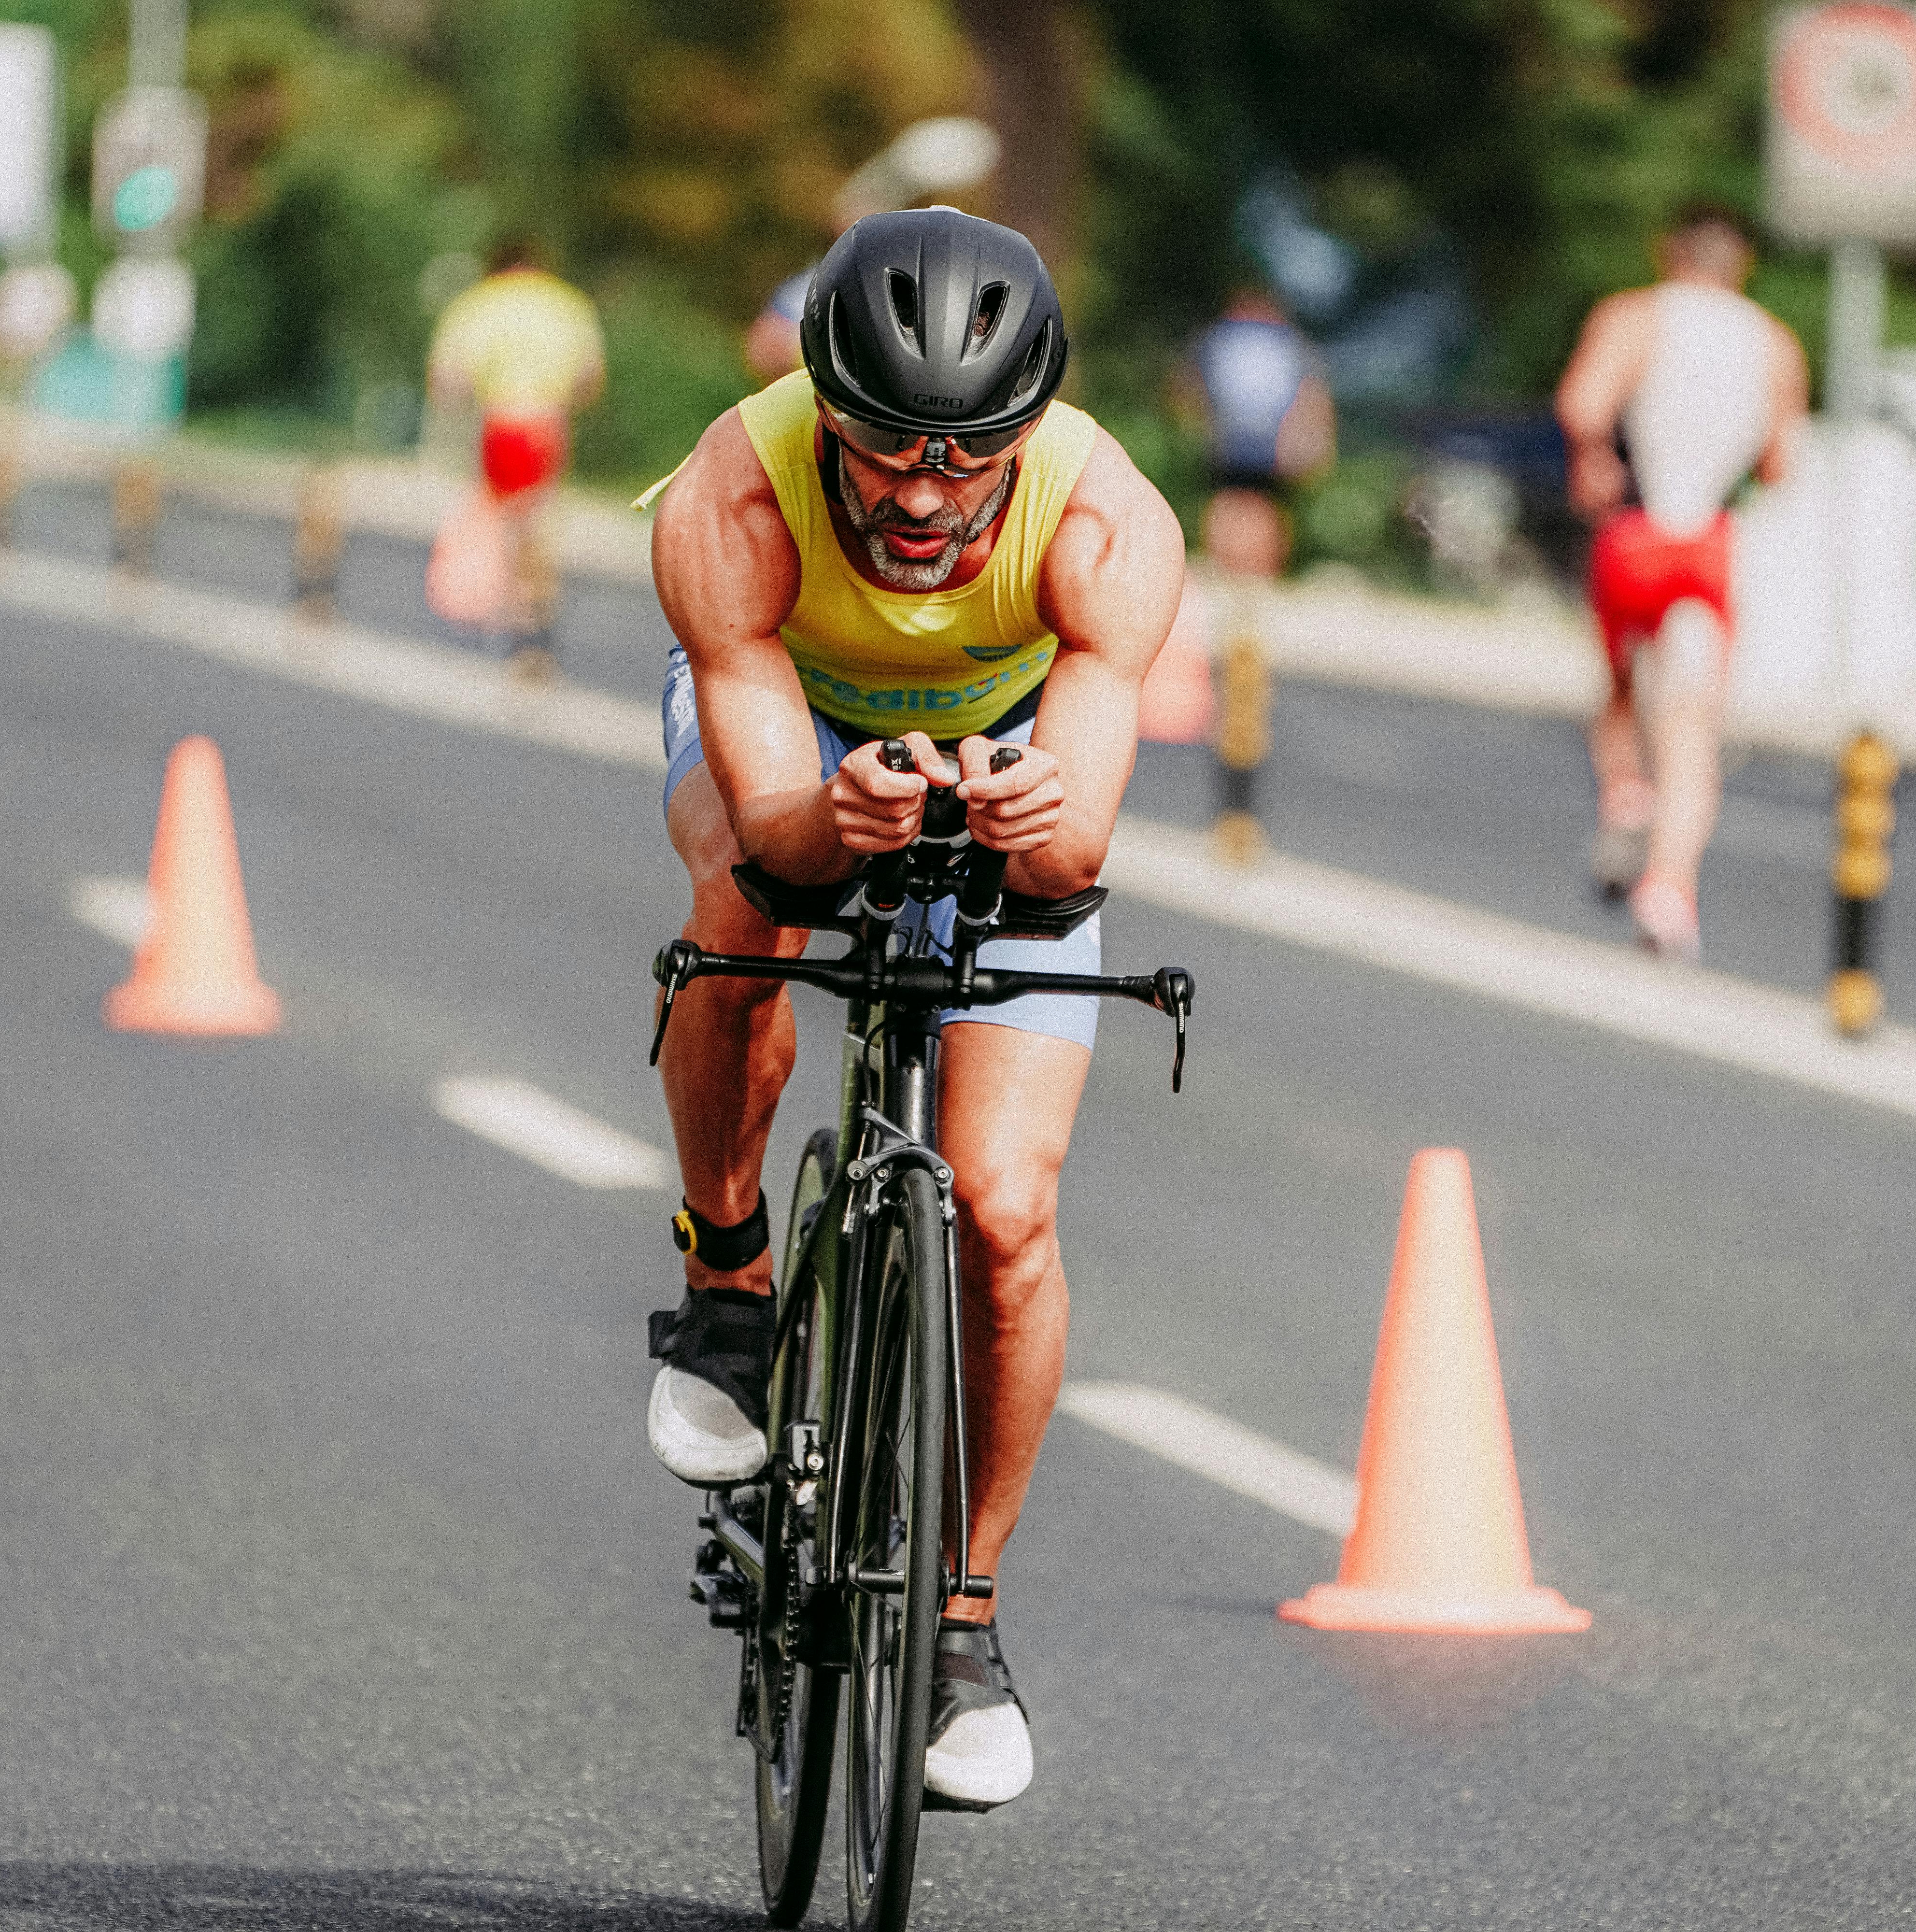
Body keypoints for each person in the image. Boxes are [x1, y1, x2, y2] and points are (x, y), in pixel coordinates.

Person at [639, 208, 1182, 1811]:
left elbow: (1078, 850)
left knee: (1005, 1211)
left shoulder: (1108, 531)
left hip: (1012, 738)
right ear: (824, 408)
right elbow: (773, 830)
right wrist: (840, 817)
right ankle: (729, 1276)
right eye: (884, 449)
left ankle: (963, 1617)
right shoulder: (733, 503)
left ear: (1028, 433)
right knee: (739, 903)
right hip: (797, 722)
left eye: (971, 459)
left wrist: (1014, 812)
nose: (925, 495)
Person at [1555, 205, 1807, 963]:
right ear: (1743, 266)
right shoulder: (1774, 343)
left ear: (1671, 254)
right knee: (1694, 722)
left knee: (1622, 686)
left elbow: (1582, 404)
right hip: (1706, 546)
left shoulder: (1634, 316)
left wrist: (1594, 458)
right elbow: (1779, 464)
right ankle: (1671, 886)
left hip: (1634, 534)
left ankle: (1625, 793)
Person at [425, 241, 606, 666]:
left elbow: (448, 380)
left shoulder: (478, 302)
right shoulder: (569, 303)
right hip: (548, 423)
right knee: (537, 523)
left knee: (503, 521)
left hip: (499, 422)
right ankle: (533, 624)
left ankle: (511, 616)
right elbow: (591, 381)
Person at [1171, 288, 1335, 581]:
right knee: (1257, 508)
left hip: (1230, 441)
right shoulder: (1290, 344)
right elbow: (1314, 395)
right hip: (1271, 445)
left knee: (1233, 505)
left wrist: (1195, 426)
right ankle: (1254, 578)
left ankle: (1234, 576)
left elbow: (1185, 387)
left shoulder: (1218, 339)